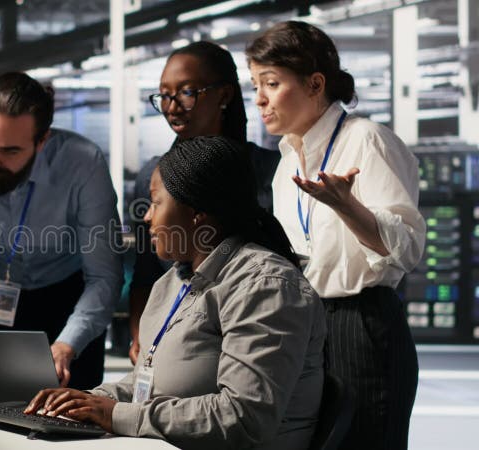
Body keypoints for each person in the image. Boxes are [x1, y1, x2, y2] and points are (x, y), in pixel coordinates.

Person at [25, 136, 326, 450]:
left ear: (197, 211)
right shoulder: (172, 282)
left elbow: (243, 416)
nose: (147, 217)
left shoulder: (264, 285)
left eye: (155, 203)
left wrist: (115, 415)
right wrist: (87, 401)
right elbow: (145, 387)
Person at [246, 21, 426, 449]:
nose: (259, 99)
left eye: (271, 83)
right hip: (304, 323)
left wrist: (347, 206)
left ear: (314, 83)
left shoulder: (367, 140)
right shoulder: (287, 159)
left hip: (360, 324)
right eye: (255, 84)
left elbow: (406, 249)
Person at [0, 72, 122, 390]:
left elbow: (104, 277)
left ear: (42, 141)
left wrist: (68, 344)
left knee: (68, 423)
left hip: (67, 301)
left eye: (10, 151)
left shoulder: (84, 164)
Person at [128, 41, 280, 364]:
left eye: (186, 92)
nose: (172, 106)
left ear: (224, 95)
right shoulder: (152, 179)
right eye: (164, 95)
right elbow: (145, 273)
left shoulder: (267, 172)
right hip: (172, 339)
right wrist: (140, 335)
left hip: (247, 332)